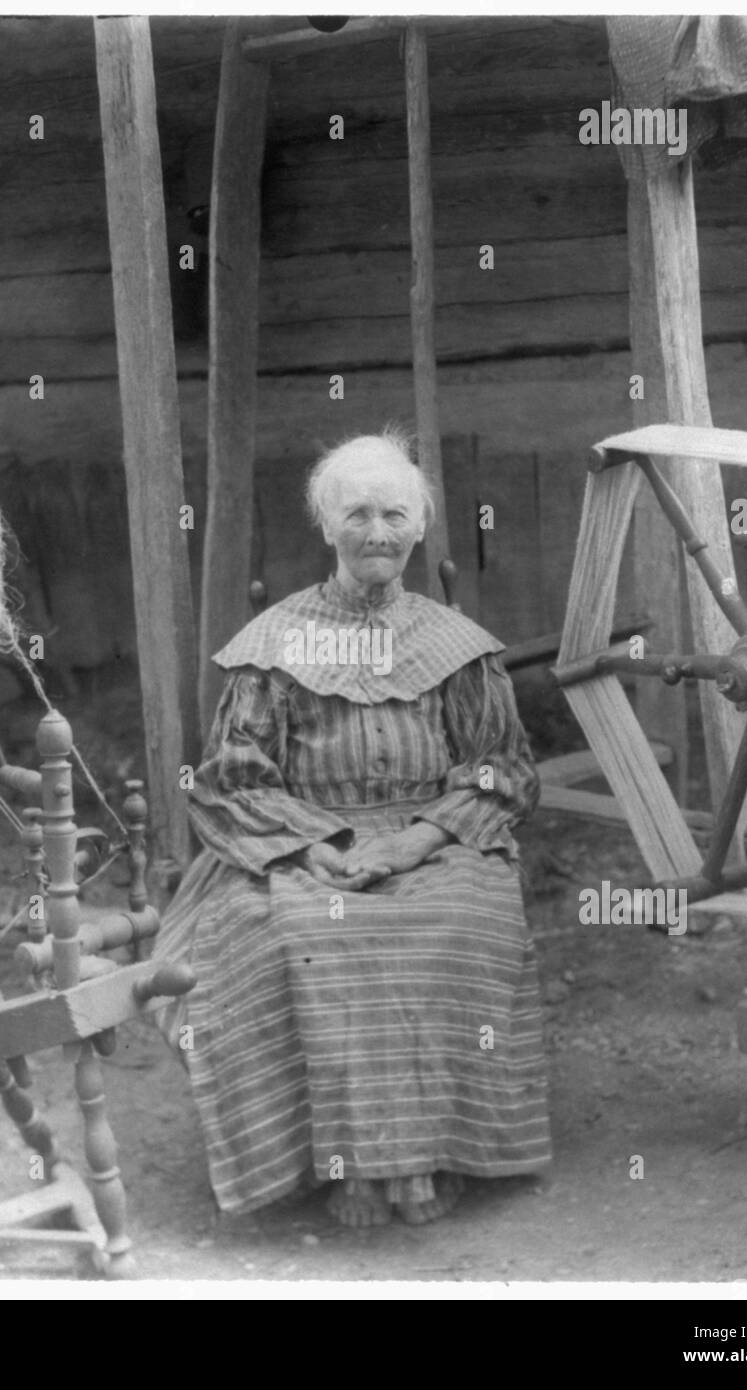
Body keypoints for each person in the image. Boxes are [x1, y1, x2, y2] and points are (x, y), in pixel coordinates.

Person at [154, 431, 551, 1227]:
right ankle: (345, 1168)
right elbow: (234, 779)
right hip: (294, 843)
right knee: (289, 934)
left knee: (460, 920)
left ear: (419, 528)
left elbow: (499, 768)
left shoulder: (453, 645)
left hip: (435, 840)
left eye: (395, 515)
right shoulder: (276, 643)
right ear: (327, 526)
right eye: (359, 514)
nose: (378, 532)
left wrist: (414, 842)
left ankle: (429, 1159)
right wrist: (324, 848)